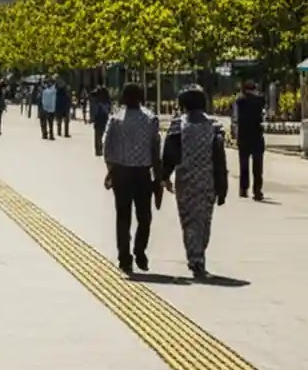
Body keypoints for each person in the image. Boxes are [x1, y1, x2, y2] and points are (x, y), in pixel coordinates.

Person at [161, 84, 229, 279]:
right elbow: (219, 159)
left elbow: (169, 155)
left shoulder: (178, 125)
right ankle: (198, 257)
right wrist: (221, 186)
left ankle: (195, 257)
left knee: (189, 221)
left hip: (186, 182)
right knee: (204, 220)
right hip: (208, 182)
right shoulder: (214, 126)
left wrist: (165, 177)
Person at [101, 82, 161, 275]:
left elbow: (106, 146)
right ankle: (140, 251)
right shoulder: (151, 119)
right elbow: (155, 147)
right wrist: (158, 175)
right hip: (143, 173)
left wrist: (110, 169)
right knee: (144, 217)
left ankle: (125, 258)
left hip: (121, 173)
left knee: (123, 216)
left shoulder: (115, 118)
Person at [232, 80, 266, 201]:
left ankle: (243, 189)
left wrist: (234, 134)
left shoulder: (240, 101)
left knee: (244, 164)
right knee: (258, 166)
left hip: (243, 136)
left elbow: (235, 118)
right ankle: (257, 191)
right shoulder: (259, 100)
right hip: (257, 135)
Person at [91, 86, 112, 156]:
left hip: (98, 120)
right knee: (102, 135)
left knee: (97, 135)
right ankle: (100, 148)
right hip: (104, 120)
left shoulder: (97, 101)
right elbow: (109, 111)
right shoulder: (107, 101)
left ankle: (98, 150)